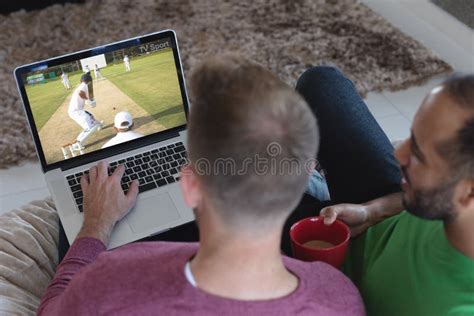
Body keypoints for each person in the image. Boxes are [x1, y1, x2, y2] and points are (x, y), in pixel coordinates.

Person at [38, 57, 365, 315]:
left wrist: (95, 227)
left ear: (191, 184)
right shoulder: (339, 295)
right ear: (308, 177)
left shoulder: (108, 280)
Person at [295, 67, 474, 315]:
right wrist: (373, 212)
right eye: (412, 136)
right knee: (322, 83)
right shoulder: (444, 199)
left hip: (336, 284)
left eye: (418, 155)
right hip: (377, 215)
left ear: (469, 193)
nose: (398, 153)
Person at [68, 73, 103, 149]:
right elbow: (80, 93)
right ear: (89, 81)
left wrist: (90, 100)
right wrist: (87, 100)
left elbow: (85, 95)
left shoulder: (83, 85)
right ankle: (76, 145)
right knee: (89, 128)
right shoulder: (84, 85)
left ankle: (99, 125)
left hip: (78, 110)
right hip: (75, 111)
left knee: (91, 116)